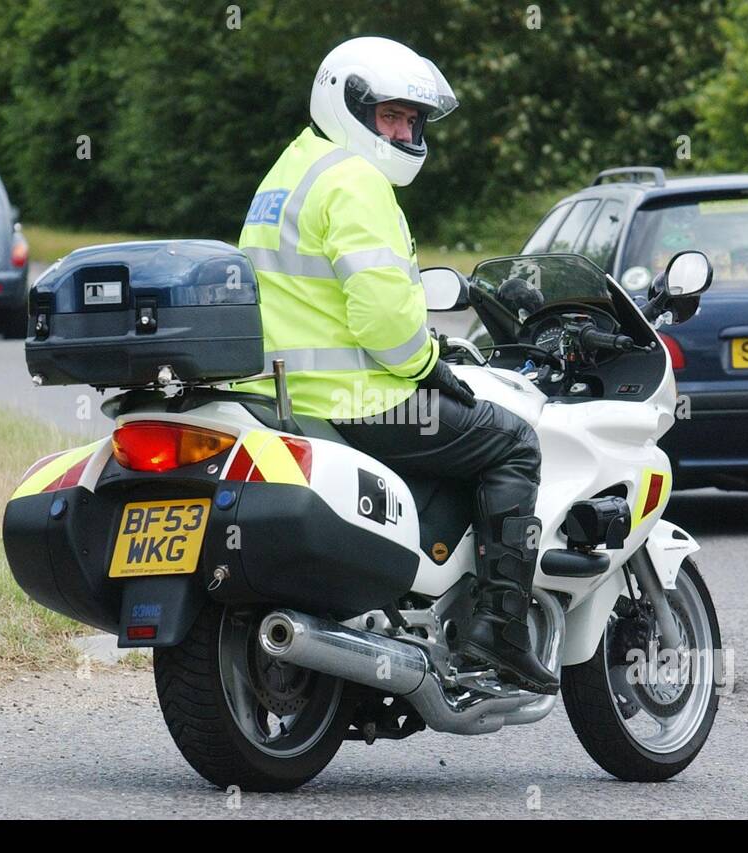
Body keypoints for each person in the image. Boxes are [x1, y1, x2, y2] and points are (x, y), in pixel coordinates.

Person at [234, 36, 557, 694]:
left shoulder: (288, 173)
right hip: (361, 400)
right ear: (346, 105)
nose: (404, 131)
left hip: (283, 395)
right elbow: (382, 318)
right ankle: (501, 627)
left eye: (411, 118)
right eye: (390, 117)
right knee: (514, 442)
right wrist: (425, 363)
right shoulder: (356, 181)